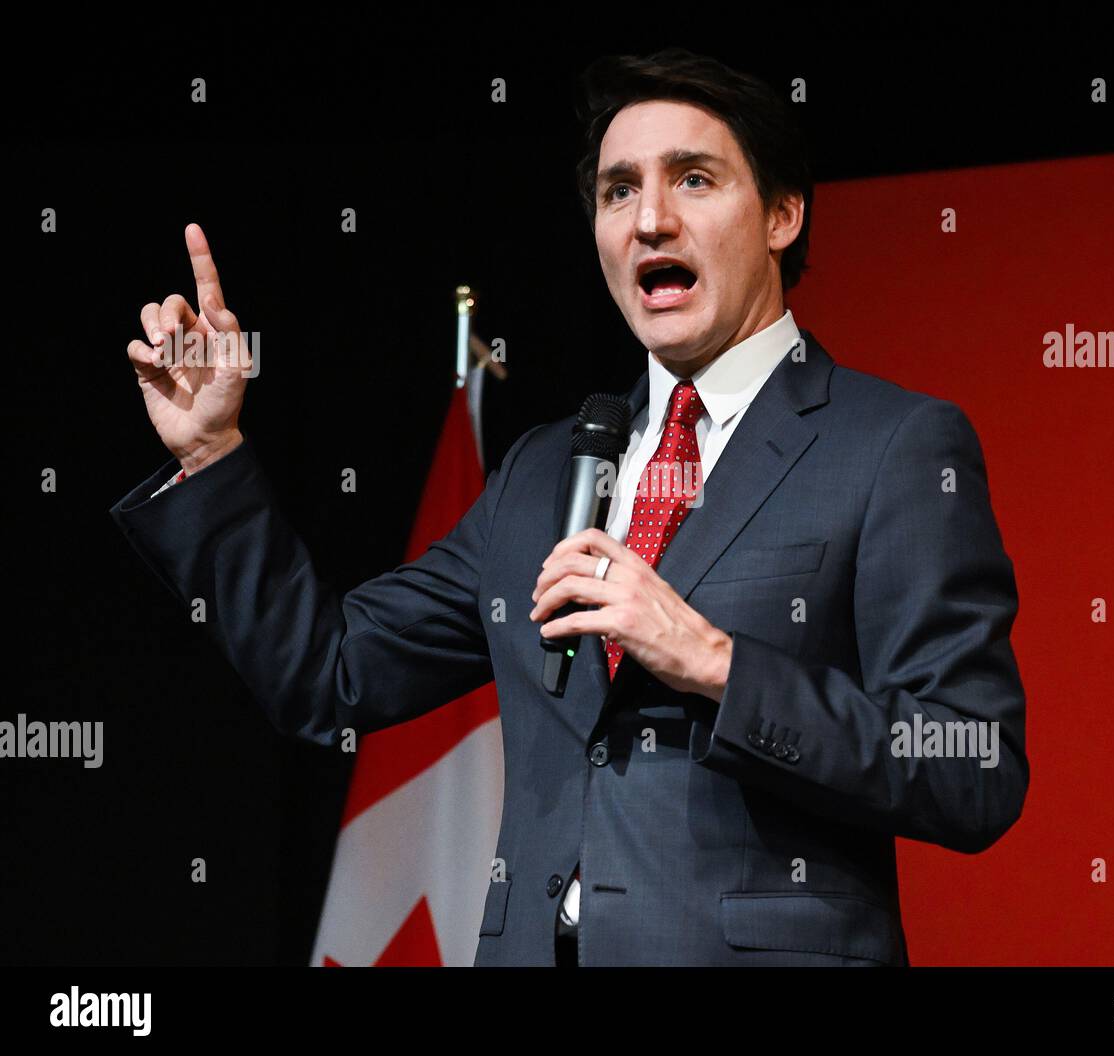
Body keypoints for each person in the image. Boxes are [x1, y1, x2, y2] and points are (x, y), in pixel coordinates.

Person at [111, 48, 1028, 966]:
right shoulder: (545, 471)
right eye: (618, 191)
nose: (651, 219)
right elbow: (330, 676)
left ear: (784, 213)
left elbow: (971, 767)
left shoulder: (892, 446)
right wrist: (212, 454)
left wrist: (713, 661)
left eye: (694, 179)